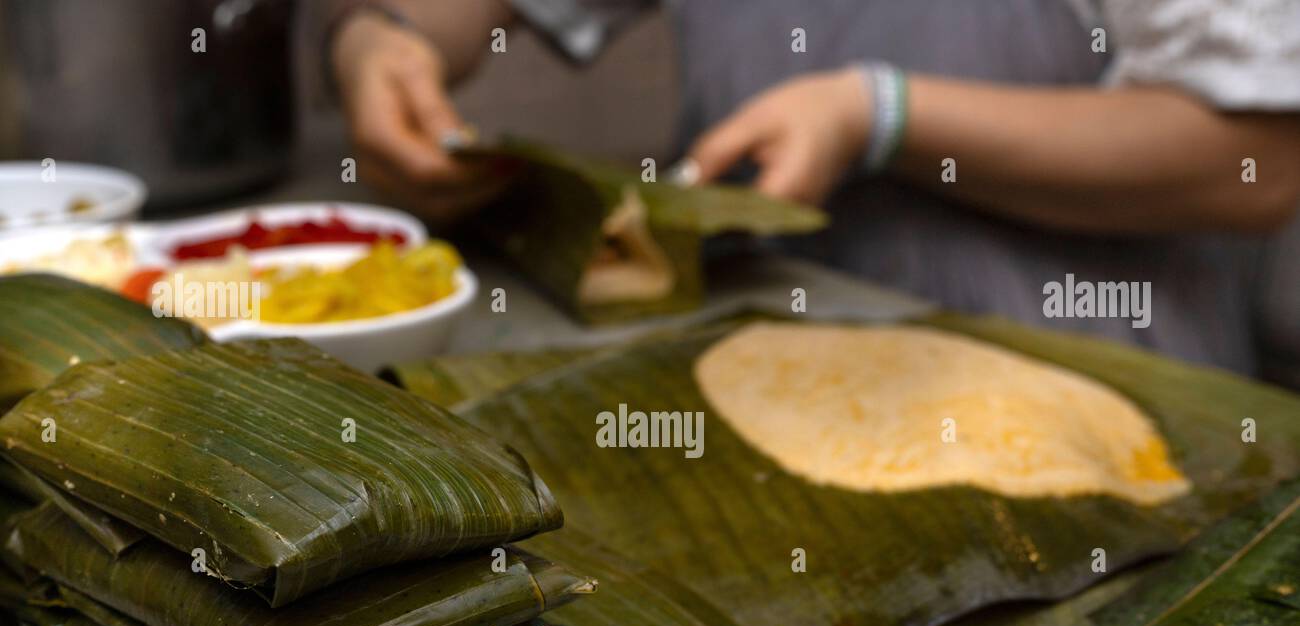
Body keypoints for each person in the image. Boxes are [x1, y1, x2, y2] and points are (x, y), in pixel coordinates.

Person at [327, 0, 1300, 372]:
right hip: (758, 350)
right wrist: (385, 36)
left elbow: (1252, 161)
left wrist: (881, 117)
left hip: (1093, 381)